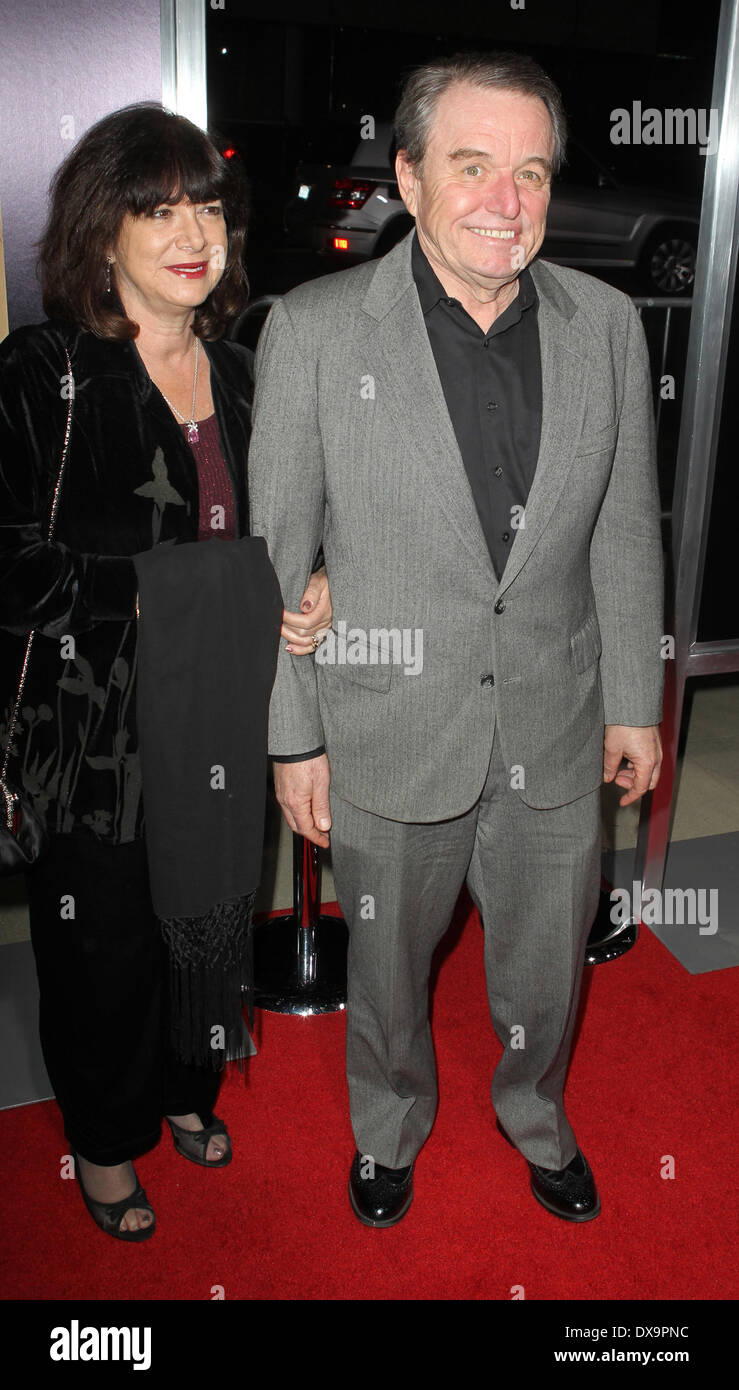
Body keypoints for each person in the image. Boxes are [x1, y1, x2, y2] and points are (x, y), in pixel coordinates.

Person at [249, 52, 664, 1227]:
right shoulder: (317, 332)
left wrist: (634, 699)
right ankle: (387, 1130)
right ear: (410, 176)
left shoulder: (610, 328)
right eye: (472, 166)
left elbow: (627, 536)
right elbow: (281, 561)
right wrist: (293, 741)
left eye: (530, 171)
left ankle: (534, 1114)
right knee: (385, 970)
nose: (506, 199)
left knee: (542, 965)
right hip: (384, 728)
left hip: (555, 710)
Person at [0, 103, 331, 1242]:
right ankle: (104, 1140)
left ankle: (187, 1085)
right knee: (103, 948)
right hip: (96, 734)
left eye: (207, 206)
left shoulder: (245, 371)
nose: (194, 232)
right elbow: (9, 567)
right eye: (157, 208)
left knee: (211, 918)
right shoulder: (44, 375)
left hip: (225, 719)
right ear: (103, 234)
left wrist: (314, 580)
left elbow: (282, 530)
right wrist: (142, 588)